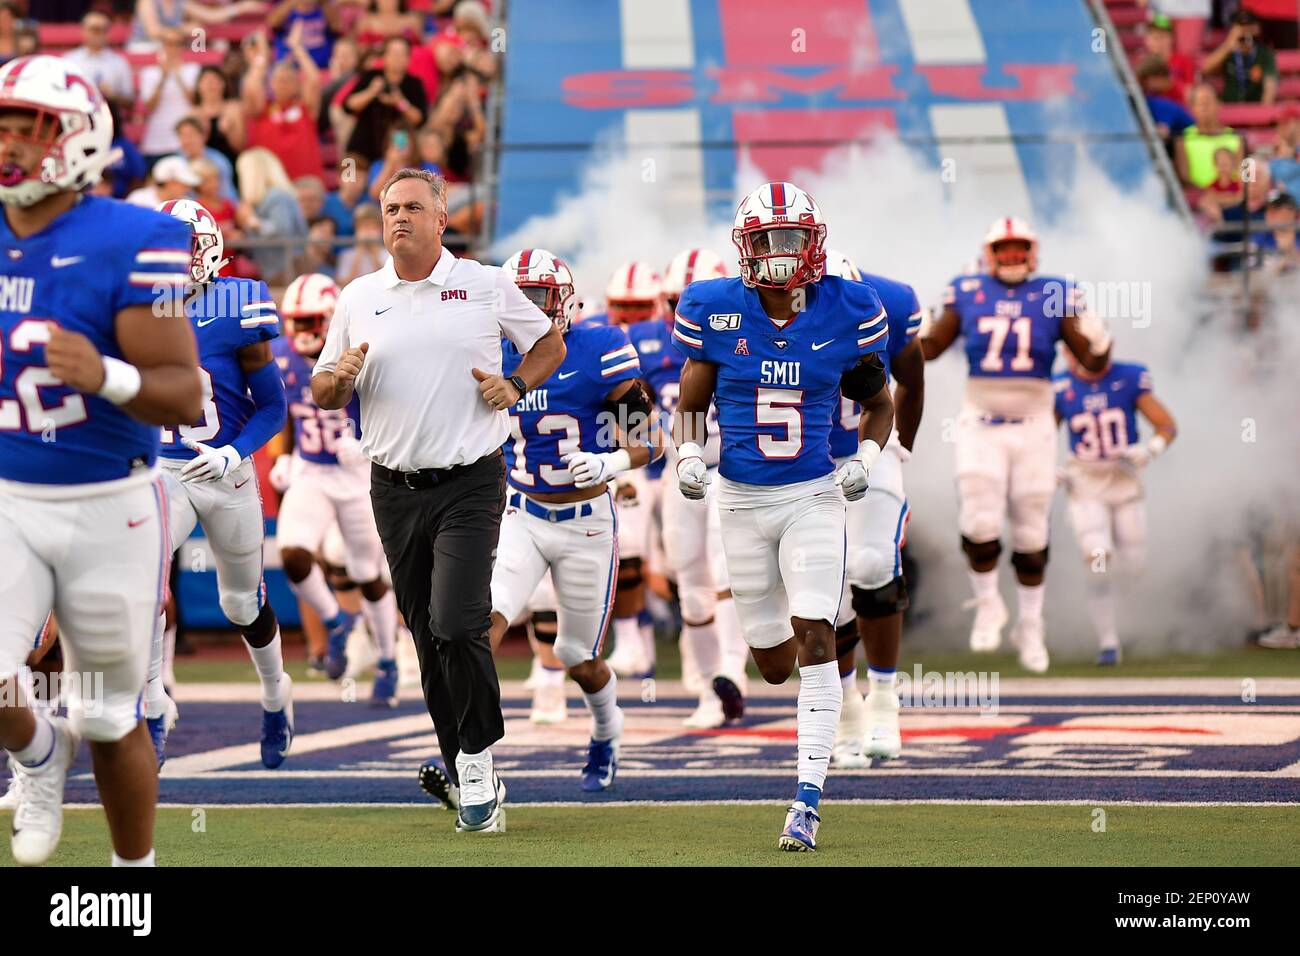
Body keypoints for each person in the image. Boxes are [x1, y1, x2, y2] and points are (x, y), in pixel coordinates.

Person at [311, 168, 565, 833]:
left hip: (471, 479)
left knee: (458, 622)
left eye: (413, 207)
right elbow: (325, 386)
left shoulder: (482, 283)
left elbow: (548, 342)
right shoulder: (359, 295)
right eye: (390, 208)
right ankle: (463, 764)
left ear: (441, 218)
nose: (399, 218)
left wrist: (515, 384)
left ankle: (478, 764)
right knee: (427, 640)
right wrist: (335, 380)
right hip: (392, 488)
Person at [0, 55, 200, 866]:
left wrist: (107, 374)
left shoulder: (136, 237)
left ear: (78, 139)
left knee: (110, 717)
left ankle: (133, 879)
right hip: (8, 494)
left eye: (28, 127)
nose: (10, 141)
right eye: (2, 124)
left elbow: (184, 394)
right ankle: (37, 754)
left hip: (109, 503)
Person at [672, 181, 895, 851]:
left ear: (814, 243)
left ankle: (806, 801)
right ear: (745, 247)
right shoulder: (713, 306)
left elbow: (878, 400)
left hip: (812, 496)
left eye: (791, 239)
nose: (778, 253)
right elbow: (692, 396)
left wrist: (867, 455)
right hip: (740, 501)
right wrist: (686, 451)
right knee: (773, 662)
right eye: (766, 240)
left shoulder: (846, 308)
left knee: (815, 636)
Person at [488, 248, 663, 791]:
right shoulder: (487, 352)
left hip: (586, 522)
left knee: (575, 656)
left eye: (538, 298)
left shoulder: (599, 349)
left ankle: (608, 728)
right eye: (518, 299)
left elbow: (650, 438)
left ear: (563, 303)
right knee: (482, 628)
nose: (529, 310)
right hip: (521, 514)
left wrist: (609, 461)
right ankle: (471, 758)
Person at [921, 217, 1112, 672]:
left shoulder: (1053, 293)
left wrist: (1100, 340)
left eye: (1018, 248)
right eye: (1003, 249)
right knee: (979, 513)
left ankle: (1031, 625)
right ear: (990, 253)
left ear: (1032, 252)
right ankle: (988, 604)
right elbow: (930, 350)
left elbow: (1090, 360)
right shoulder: (967, 290)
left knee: (1031, 526)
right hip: (981, 419)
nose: (1010, 256)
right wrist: (920, 328)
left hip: (1034, 421)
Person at [150, 198, 292, 769]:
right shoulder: (134, 306)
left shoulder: (238, 302)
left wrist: (234, 453)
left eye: (181, 245)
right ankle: (154, 704)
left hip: (225, 473)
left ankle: (275, 692)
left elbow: (274, 408)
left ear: (207, 248)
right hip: (163, 469)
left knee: (239, 604)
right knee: (141, 586)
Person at [270, 273, 400, 703]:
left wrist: (365, 442)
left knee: (367, 573)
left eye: (312, 321)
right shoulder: (281, 355)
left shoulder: (363, 348)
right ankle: (335, 623)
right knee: (291, 551)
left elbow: (395, 408)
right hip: (312, 471)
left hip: (357, 476)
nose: (303, 331)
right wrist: (284, 455)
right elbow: (287, 410)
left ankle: (387, 658)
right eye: (297, 321)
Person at [821, 251, 925, 768]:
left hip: (870, 447)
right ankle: (843, 710)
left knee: (872, 565)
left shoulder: (892, 300)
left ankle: (885, 698)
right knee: (827, 592)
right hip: (806, 459)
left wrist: (900, 441)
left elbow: (911, 373)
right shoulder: (771, 306)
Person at [639, 246, 748, 729]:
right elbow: (629, 412)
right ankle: (710, 687)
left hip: (734, 470)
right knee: (692, 583)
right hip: (679, 471)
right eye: (673, 300)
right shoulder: (647, 346)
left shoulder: (749, 334)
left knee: (728, 576)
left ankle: (732, 671)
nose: (682, 310)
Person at [1055, 354, 1177, 664]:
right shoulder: (1060, 385)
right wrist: (1045, 466)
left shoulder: (1129, 376)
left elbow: (1166, 425)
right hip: (1085, 482)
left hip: (1123, 481)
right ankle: (1108, 642)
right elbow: (1040, 435)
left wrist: (1151, 449)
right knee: (1097, 557)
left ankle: (1130, 620)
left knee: (1134, 563)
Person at [597, 262, 665, 681]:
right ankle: (634, 643)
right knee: (629, 552)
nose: (627, 316)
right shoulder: (596, 336)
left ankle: (700, 663)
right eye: (620, 306)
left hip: (678, 457)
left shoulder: (678, 341)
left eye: (638, 307)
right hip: (625, 456)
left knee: (678, 573)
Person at [243, 28, 323, 182]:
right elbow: (251, 87)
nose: (284, 84)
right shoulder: (263, 108)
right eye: (279, 80)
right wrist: (262, 57)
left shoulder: (305, 109)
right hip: (271, 184)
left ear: (297, 84)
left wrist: (297, 48)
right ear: (271, 84)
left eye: (289, 80)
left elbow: (314, 80)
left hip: (305, 185)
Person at [343, 35, 427, 165]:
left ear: (408, 59)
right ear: (384, 57)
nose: (396, 58)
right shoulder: (371, 76)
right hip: (362, 144)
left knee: (399, 170)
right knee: (349, 172)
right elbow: (348, 105)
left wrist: (400, 102)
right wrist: (371, 92)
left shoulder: (414, 84)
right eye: (392, 53)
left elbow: (419, 119)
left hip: (398, 147)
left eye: (401, 54)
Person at [235, 146, 308, 285]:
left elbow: (283, 231)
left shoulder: (276, 196)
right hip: (275, 269)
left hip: (286, 270)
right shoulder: (261, 200)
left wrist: (252, 221)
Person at [137, 27, 200, 163]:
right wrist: (163, 78)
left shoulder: (193, 69)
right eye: (168, 43)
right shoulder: (149, 72)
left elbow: (195, 100)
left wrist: (177, 74)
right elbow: (149, 106)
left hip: (184, 141)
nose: (173, 48)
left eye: (177, 43)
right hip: (156, 140)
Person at [1202, 9, 1278, 105]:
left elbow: (1269, 90)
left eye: (1248, 25)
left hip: (1254, 109)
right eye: (1240, 26)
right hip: (1229, 108)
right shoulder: (1227, 51)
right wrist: (1228, 46)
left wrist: (1261, 115)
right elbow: (1205, 69)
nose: (1245, 30)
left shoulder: (1265, 55)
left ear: (1257, 28)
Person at [62, 10, 134, 111]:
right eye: (93, 29)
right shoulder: (69, 60)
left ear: (108, 33)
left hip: (110, 117)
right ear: (83, 31)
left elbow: (130, 101)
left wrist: (112, 96)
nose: (97, 34)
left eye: (102, 30)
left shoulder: (119, 63)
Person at [1176, 83, 1243, 189]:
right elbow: (1185, 177)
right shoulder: (1182, 138)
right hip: (1197, 199)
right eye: (1199, 103)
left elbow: (1245, 176)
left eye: (1208, 102)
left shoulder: (1236, 137)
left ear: (1219, 105)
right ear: (1192, 109)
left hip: (1232, 195)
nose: (1204, 107)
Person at [125, 153, 199, 207]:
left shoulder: (188, 204)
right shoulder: (138, 199)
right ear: (169, 182)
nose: (187, 188)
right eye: (183, 184)